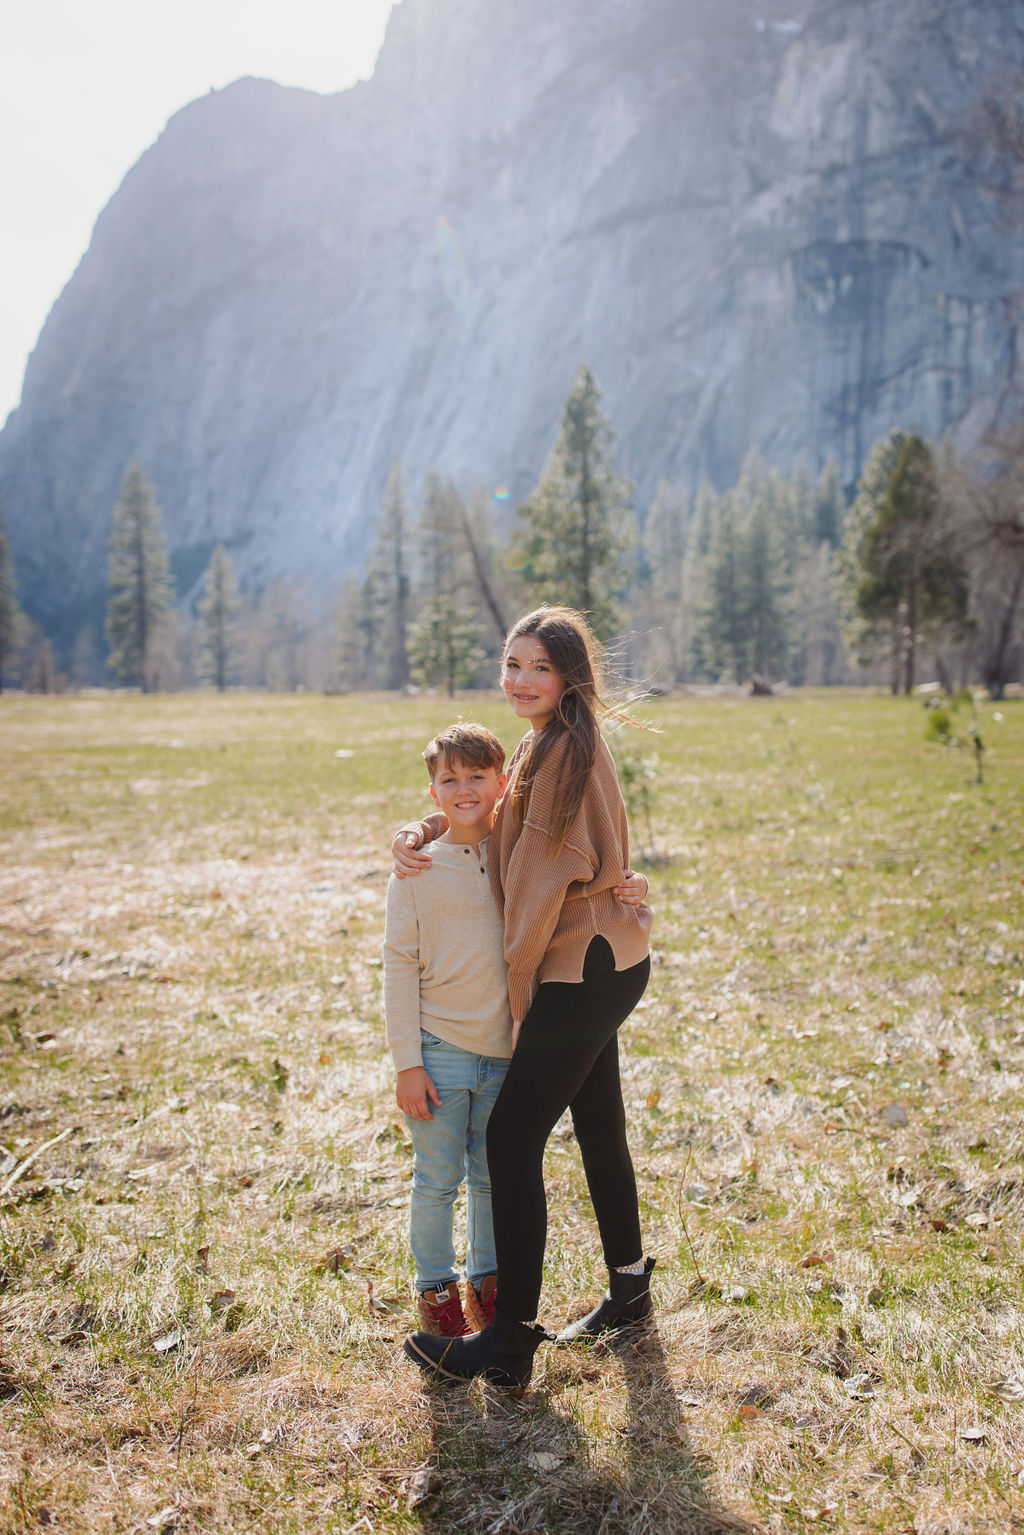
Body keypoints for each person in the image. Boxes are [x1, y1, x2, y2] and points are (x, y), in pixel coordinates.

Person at [392, 605, 654, 1390]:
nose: (520, 679)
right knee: (599, 1123)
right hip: (610, 958)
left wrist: (518, 1003)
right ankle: (630, 1285)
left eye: (538, 666)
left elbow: (537, 895)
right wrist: (431, 824)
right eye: (512, 663)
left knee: (509, 1140)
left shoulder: (564, 748)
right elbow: (501, 816)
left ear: (569, 675)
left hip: (582, 970)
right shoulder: (553, 741)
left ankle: (508, 1338)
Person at [383, 722, 513, 1339]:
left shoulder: (519, 854)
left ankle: (486, 1283)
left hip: (507, 1053)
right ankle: (435, 1290)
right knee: (437, 1179)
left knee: (493, 1176)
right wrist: (408, 1062)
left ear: (501, 782)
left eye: (477, 777)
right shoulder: (415, 871)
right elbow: (398, 966)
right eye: (449, 780)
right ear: (433, 793)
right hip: (438, 1053)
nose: (464, 789)